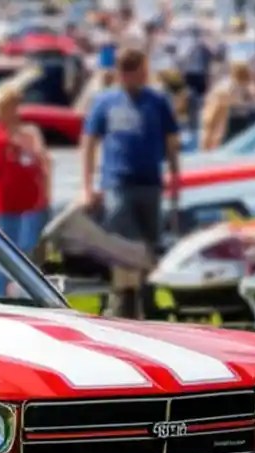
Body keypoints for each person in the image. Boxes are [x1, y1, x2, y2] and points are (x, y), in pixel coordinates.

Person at [81, 48, 180, 319]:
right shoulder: (105, 102)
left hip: (150, 183)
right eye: (129, 71)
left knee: (149, 244)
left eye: (138, 70)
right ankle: (124, 299)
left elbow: (171, 142)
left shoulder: (157, 101)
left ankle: (147, 302)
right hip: (117, 183)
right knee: (127, 243)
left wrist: (175, 178)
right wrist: (88, 186)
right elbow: (89, 143)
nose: (135, 77)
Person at [0, 87, 49, 272]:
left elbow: (43, 163)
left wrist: (45, 197)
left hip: (30, 202)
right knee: (1, 254)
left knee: (28, 253)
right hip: (2, 203)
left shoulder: (29, 132)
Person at [200, 60, 255, 150]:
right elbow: (212, 118)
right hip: (221, 126)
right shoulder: (227, 89)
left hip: (233, 126)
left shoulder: (243, 87)